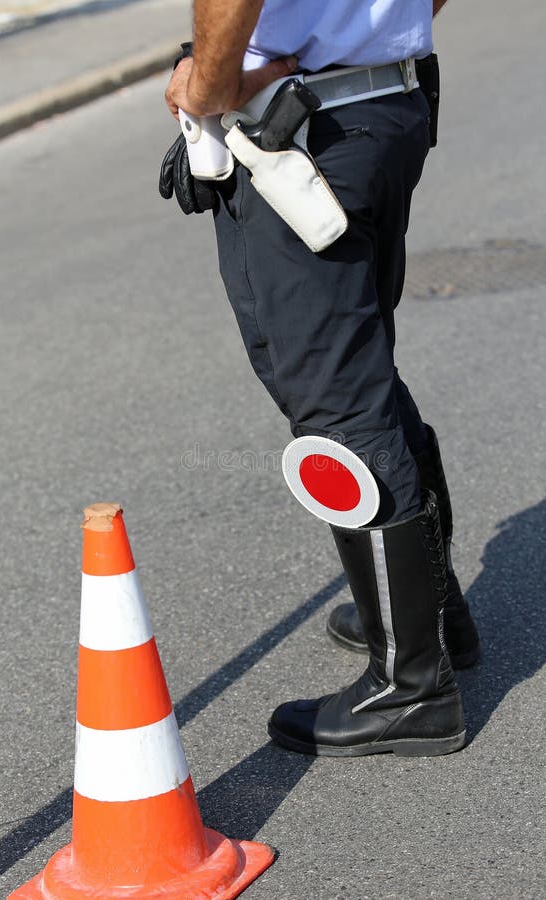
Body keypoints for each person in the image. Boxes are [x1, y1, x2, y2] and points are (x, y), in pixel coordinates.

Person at [163, 0, 480, 757]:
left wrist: (204, 87)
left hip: (302, 127)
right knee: (360, 371)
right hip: (388, 102)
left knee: (337, 403)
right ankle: (429, 619)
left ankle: (411, 687)